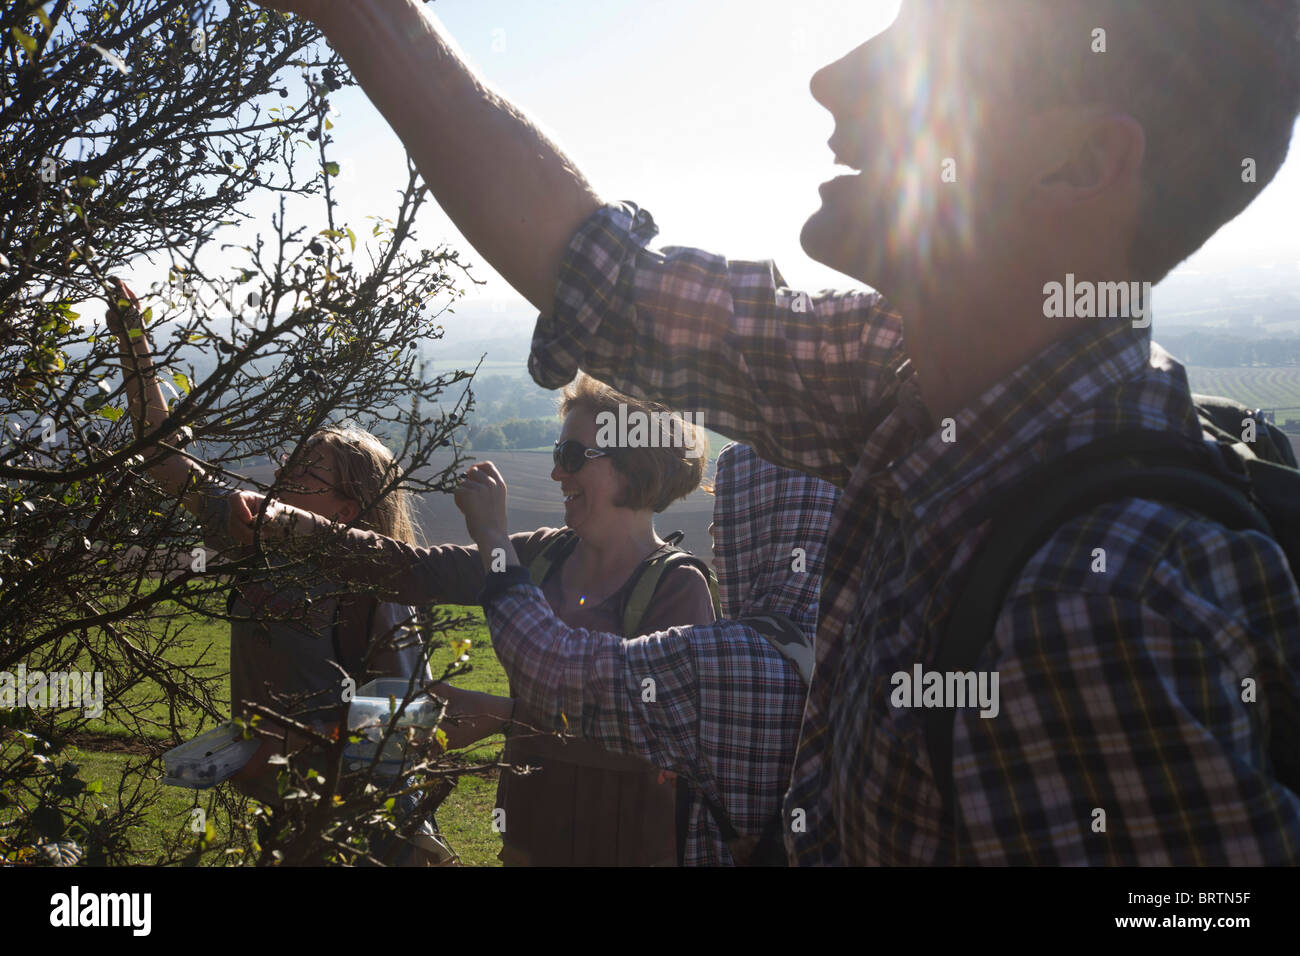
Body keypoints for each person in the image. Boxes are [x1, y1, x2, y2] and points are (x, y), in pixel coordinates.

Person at [255, 0, 1300, 864]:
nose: (834, 80)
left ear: (1078, 163)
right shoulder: (902, 381)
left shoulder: (1092, 614)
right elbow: (608, 285)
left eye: (931, 52)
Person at [228, 373, 716, 865]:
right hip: (528, 846)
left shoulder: (676, 588)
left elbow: (641, 736)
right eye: (555, 456)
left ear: (632, 464)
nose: (556, 474)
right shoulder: (545, 554)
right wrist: (286, 523)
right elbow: (410, 569)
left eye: (570, 458)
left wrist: (493, 539)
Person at [105, 279, 450, 866]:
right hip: (291, 813)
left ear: (348, 510)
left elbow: (409, 723)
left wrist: (294, 742)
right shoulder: (252, 534)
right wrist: (135, 345)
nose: (283, 473)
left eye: (305, 471)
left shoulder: (376, 588)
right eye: (290, 462)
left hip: (369, 829)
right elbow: (162, 455)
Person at [448, 442, 839, 865]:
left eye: (727, 515)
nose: (713, 534)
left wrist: (491, 535)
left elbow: (551, 667)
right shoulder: (861, 647)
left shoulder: (732, 662)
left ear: (762, 526)